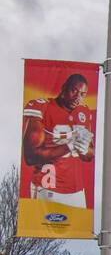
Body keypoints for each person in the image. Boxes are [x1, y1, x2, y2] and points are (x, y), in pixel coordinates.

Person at [22, 72, 95, 207]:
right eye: (74, 91)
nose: (78, 97)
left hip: (77, 192)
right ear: (64, 87)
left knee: (79, 229)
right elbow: (30, 157)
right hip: (46, 188)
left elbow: (89, 155)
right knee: (42, 228)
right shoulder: (42, 107)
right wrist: (69, 146)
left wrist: (84, 149)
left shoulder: (83, 112)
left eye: (82, 94)